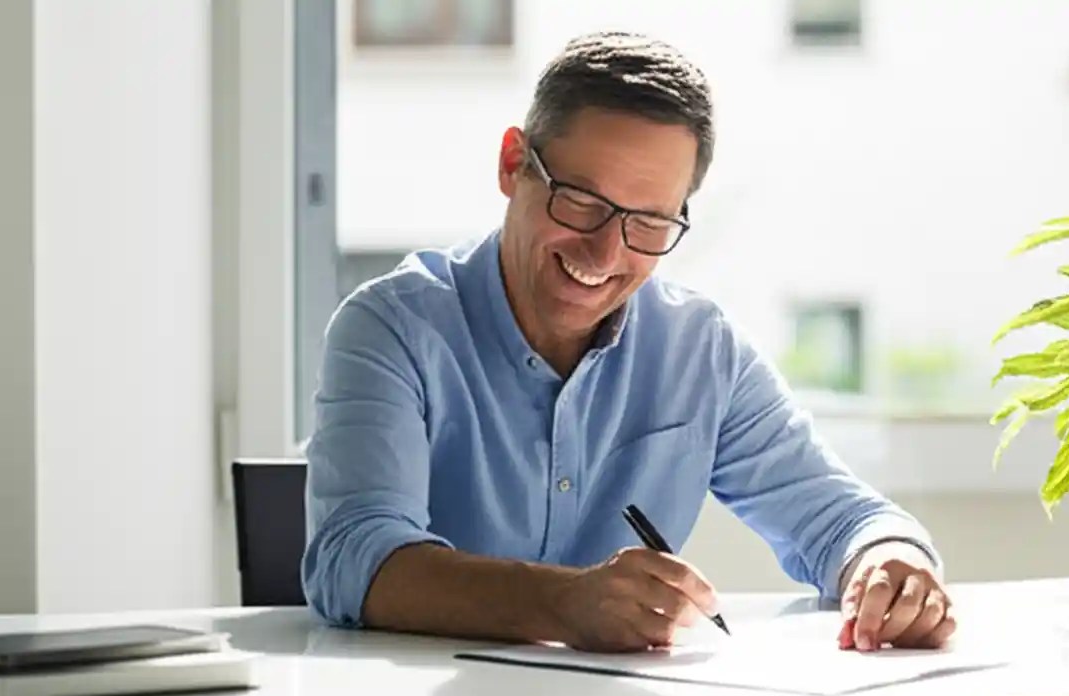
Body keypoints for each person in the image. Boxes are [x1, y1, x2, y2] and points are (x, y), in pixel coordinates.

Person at [302, 30, 955, 654]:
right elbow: (353, 558)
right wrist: (564, 604)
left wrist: (888, 559)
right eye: (582, 201)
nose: (605, 252)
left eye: (648, 222)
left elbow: (841, 518)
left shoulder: (699, 351)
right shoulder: (392, 329)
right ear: (512, 166)